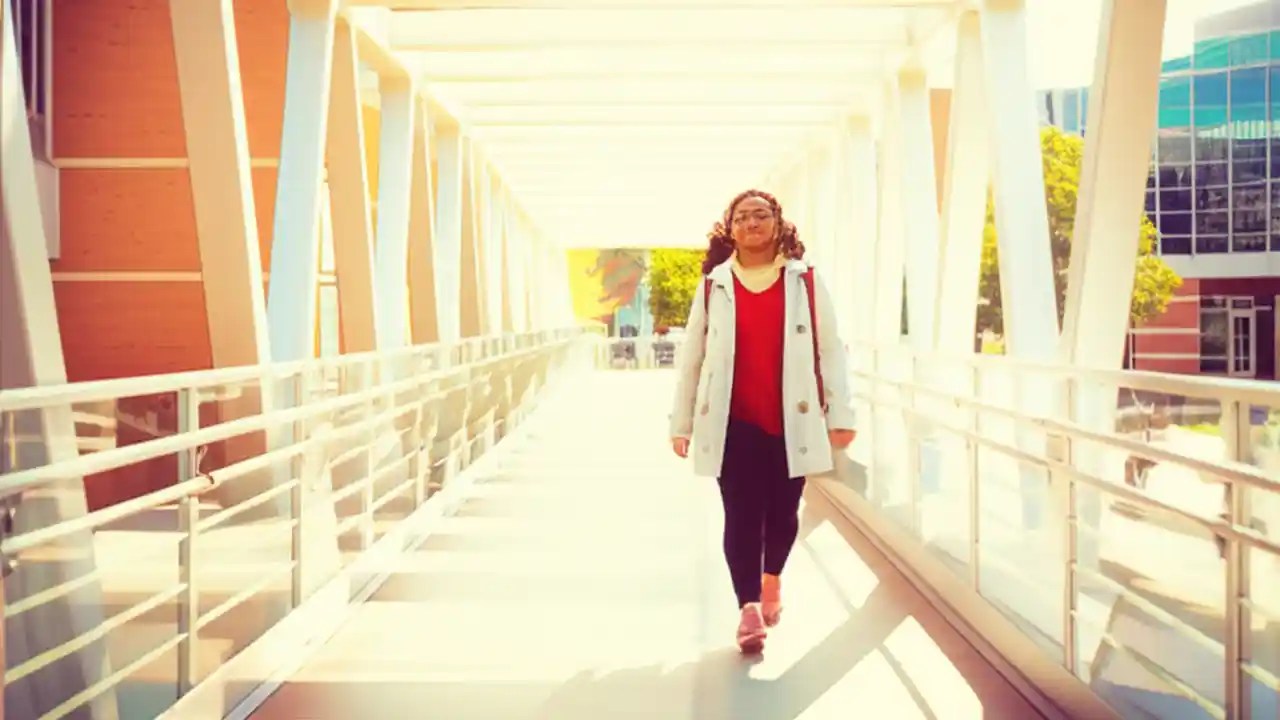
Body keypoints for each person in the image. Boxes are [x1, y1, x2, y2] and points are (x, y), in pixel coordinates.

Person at [669, 189, 856, 654]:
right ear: (729, 229)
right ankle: (747, 608)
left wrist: (841, 413)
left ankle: (772, 578)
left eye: (761, 214)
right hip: (733, 423)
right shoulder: (714, 285)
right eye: (742, 217)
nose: (752, 223)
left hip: (791, 420)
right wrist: (682, 423)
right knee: (740, 515)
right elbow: (691, 356)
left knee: (783, 514)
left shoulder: (804, 281)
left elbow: (830, 349)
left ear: (777, 223)